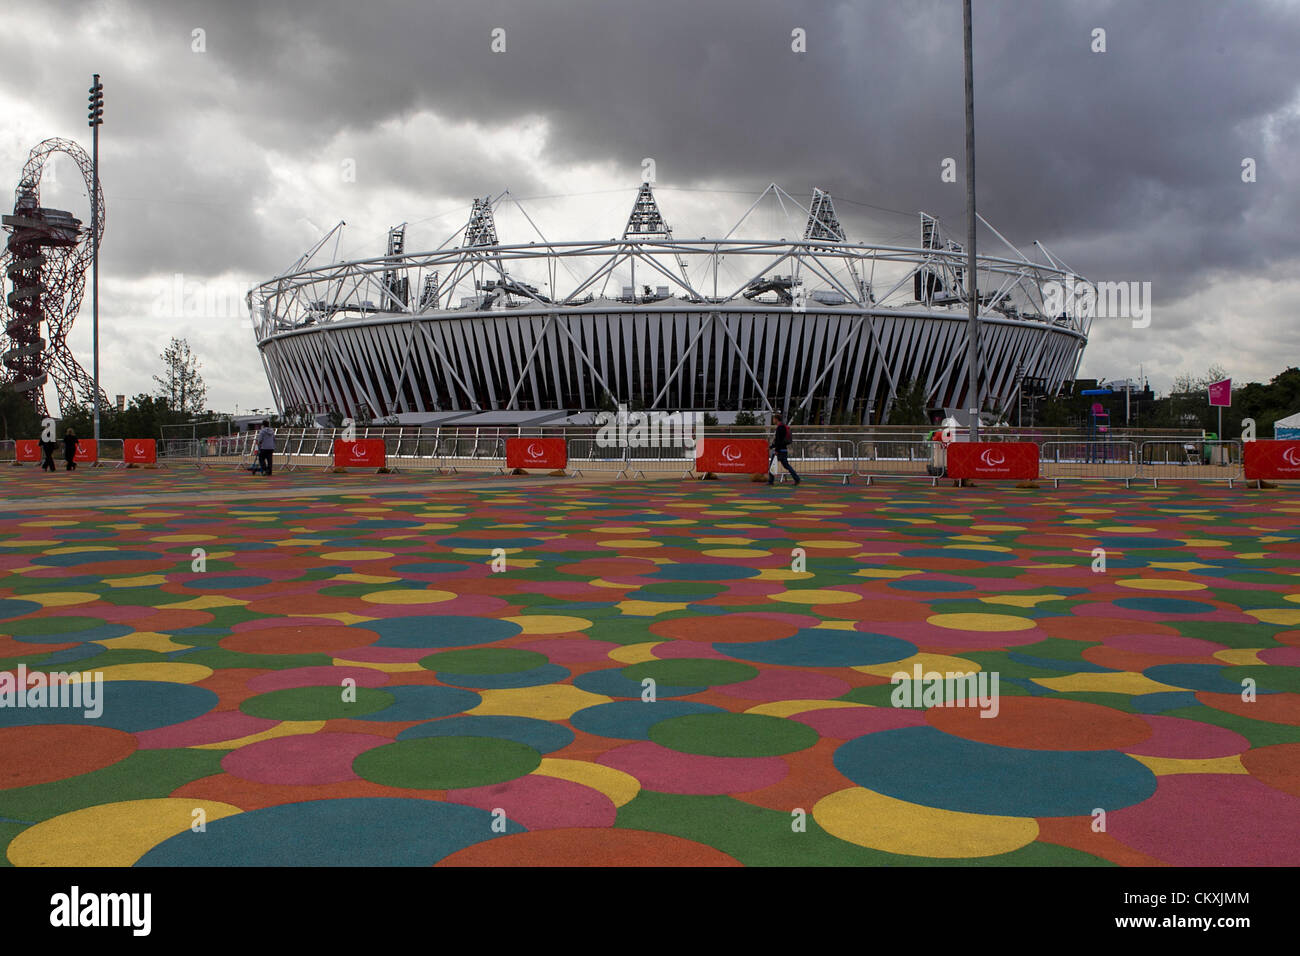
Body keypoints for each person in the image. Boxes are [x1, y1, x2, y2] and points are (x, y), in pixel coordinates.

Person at [767, 411, 800, 485]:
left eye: (773, 419)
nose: (773, 420)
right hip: (784, 449)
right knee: (786, 465)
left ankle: (771, 481)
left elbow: (779, 440)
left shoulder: (780, 428)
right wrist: (772, 447)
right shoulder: (783, 426)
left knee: (772, 464)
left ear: (776, 419)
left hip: (779, 451)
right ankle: (796, 478)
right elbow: (780, 440)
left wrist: (776, 450)